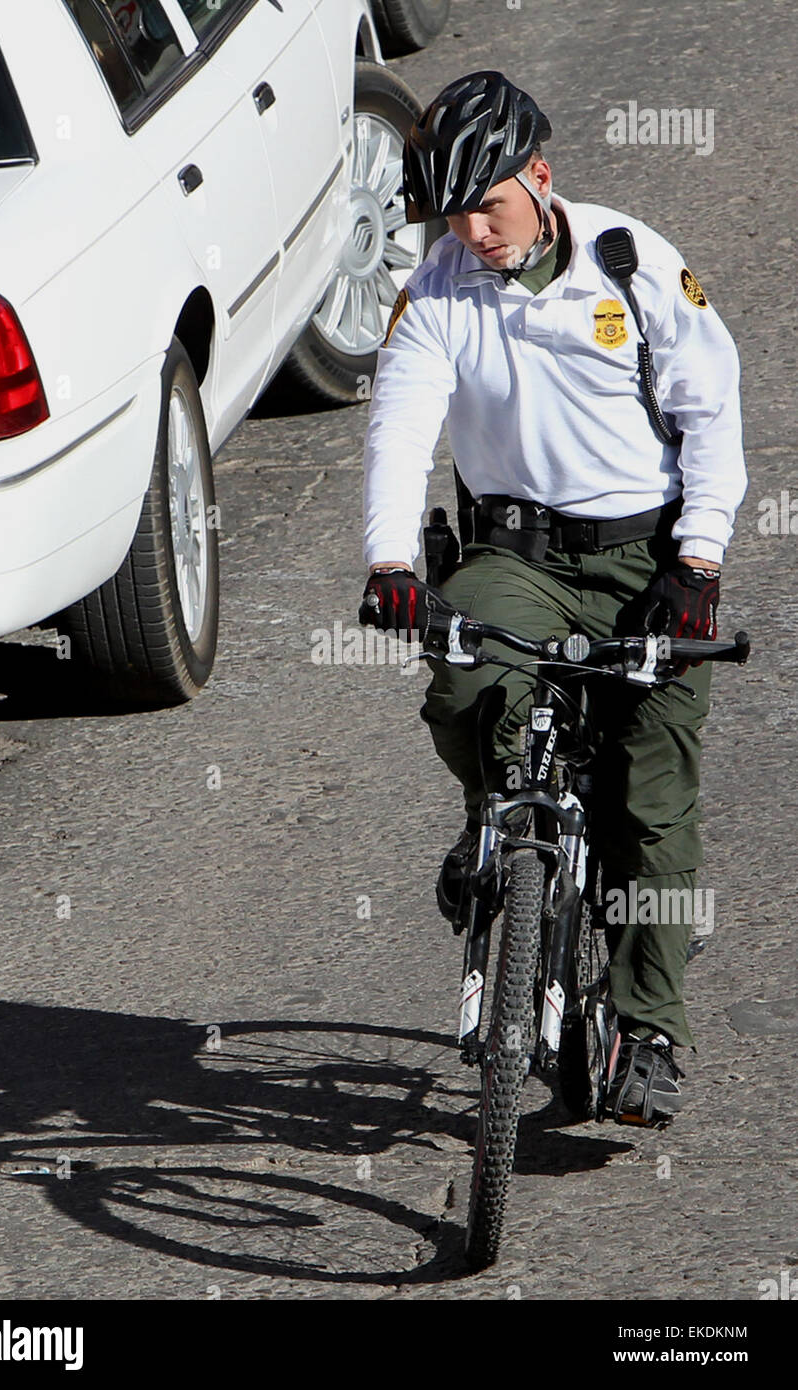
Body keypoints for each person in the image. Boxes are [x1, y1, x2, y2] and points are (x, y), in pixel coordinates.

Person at [358, 71, 746, 1127]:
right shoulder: (437, 288)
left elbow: (711, 416)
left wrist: (698, 563)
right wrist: (391, 562)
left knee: (647, 802)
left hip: (643, 560)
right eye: (453, 213)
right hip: (515, 557)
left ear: (539, 175)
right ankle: (495, 815)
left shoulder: (633, 264)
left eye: (490, 204)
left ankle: (650, 1028)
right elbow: (399, 426)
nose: (472, 231)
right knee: (461, 684)